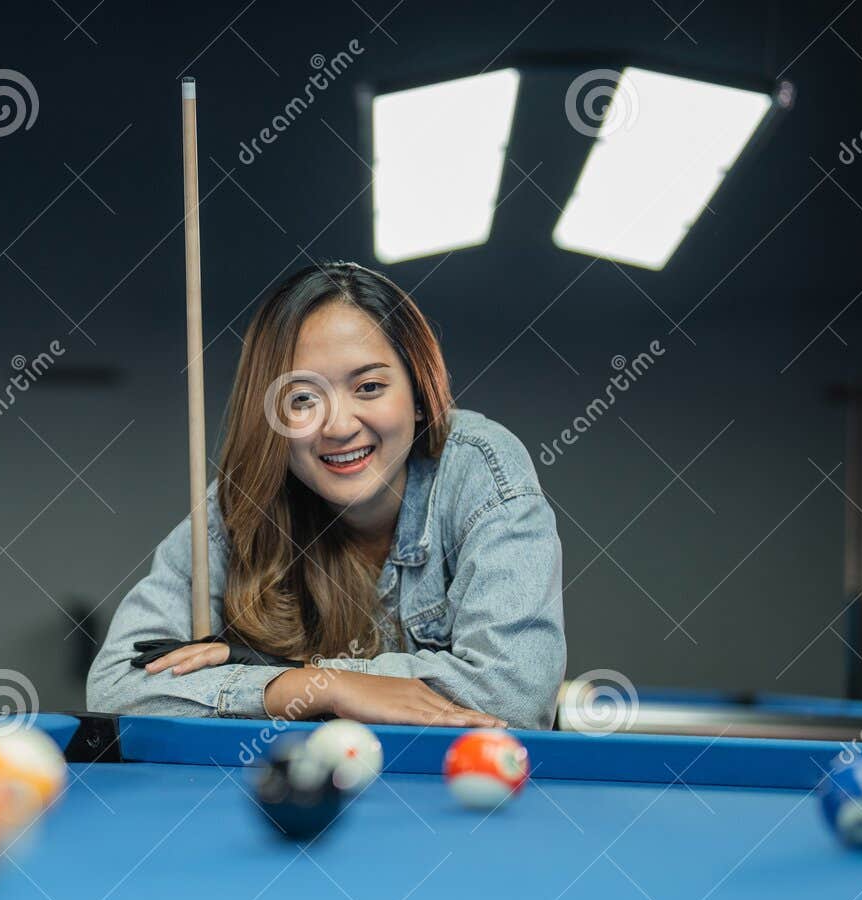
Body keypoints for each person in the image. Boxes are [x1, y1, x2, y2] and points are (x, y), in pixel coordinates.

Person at [86, 262, 565, 730]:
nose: (338, 426)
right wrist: (317, 686)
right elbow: (115, 687)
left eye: (370, 386)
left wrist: (295, 676)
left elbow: (514, 696)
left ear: (420, 395)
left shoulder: (480, 466)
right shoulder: (242, 502)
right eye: (302, 399)